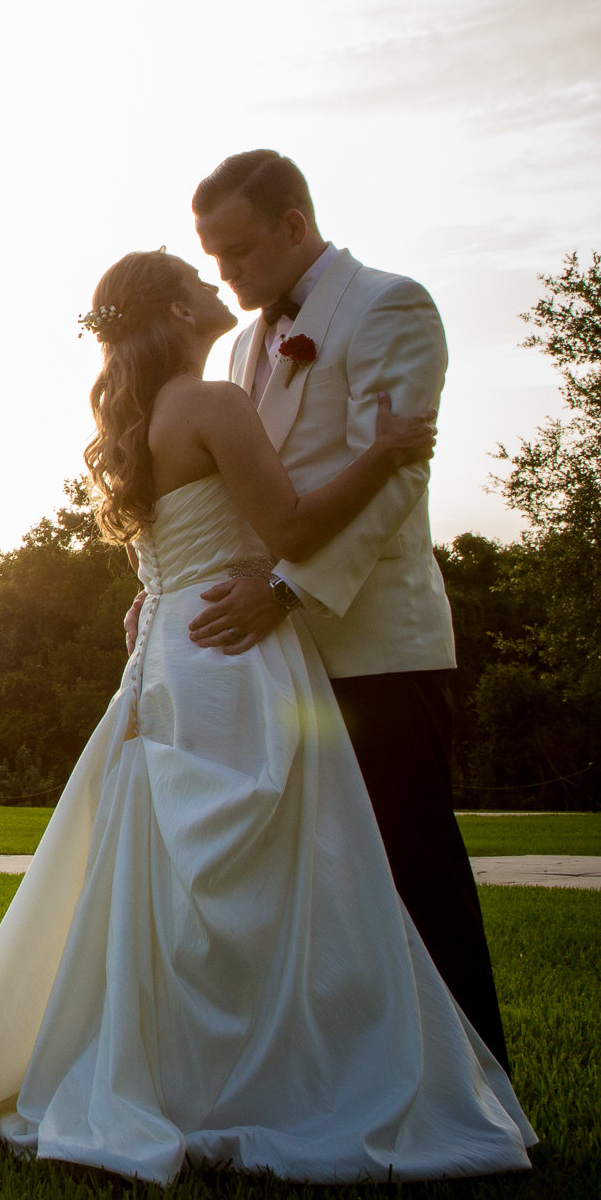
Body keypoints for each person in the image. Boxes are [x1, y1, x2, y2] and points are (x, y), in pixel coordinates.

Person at [0, 246, 534, 1184]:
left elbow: (162, 553)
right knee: (273, 876)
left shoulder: (141, 415)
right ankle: (267, 1083)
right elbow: (293, 531)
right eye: (194, 279)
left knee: (175, 875)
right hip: (234, 655)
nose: (214, 283)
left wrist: (155, 595)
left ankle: (184, 1076)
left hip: (168, 654)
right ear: (172, 311)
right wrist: (387, 453)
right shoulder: (213, 401)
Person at [183, 149, 509, 1068]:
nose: (227, 276)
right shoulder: (246, 344)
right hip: (272, 658)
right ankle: (345, 1082)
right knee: (310, 881)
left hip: (377, 646)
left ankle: (482, 1091)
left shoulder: (390, 305)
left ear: (294, 227)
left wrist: (286, 594)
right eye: (212, 259)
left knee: (411, 868)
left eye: (240, 253)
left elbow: (397, 473)